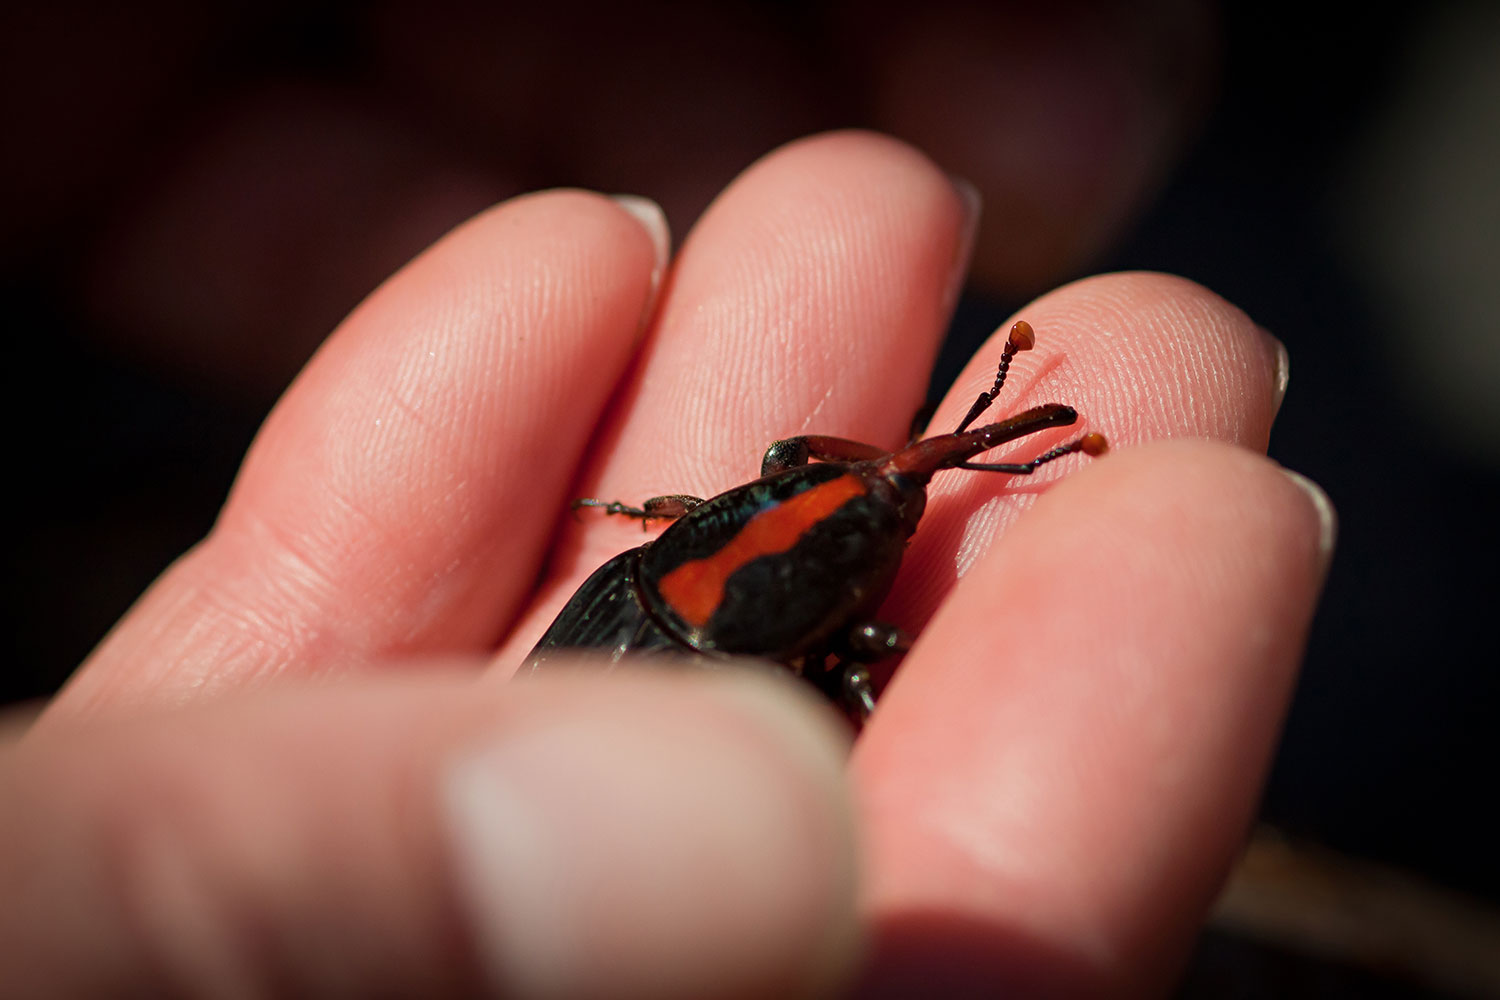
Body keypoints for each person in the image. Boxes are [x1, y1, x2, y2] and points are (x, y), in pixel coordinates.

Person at [1, 128, 1331, 997]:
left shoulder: (700, 570)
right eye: (865, 502)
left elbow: (780, 498)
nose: (894, 484)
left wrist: (897, 478)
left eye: (870, 508)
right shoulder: (743, 597)